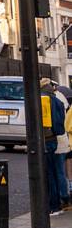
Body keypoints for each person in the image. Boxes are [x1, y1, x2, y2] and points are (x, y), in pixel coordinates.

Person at [41, 79, 70, 216]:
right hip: (59, 140)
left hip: (49, 140)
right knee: (59, 172)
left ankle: (54, 205)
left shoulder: (44, 100)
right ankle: (63, 199)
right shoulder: (58, 99)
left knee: (51, 174)